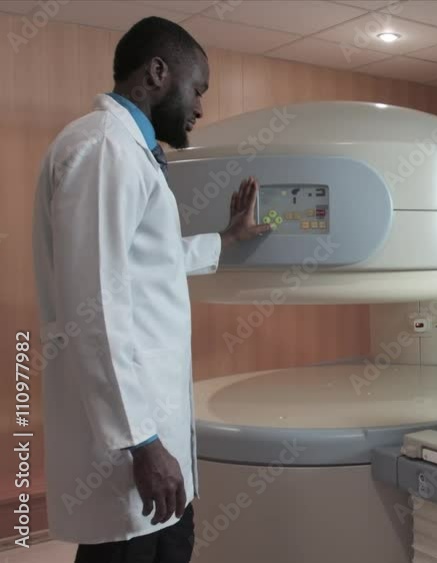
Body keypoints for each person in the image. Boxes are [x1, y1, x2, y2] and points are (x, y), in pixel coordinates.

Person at [31, 17, 271, 563]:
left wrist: (225, 239)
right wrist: (141, 441)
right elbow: (94, 304)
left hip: (150, 431)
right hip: (132, 442)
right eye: (198, 89)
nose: (200, 107)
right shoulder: (104, 149)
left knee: (170, 542)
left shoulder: (128, 151)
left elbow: (143, 264)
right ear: (158, 72)